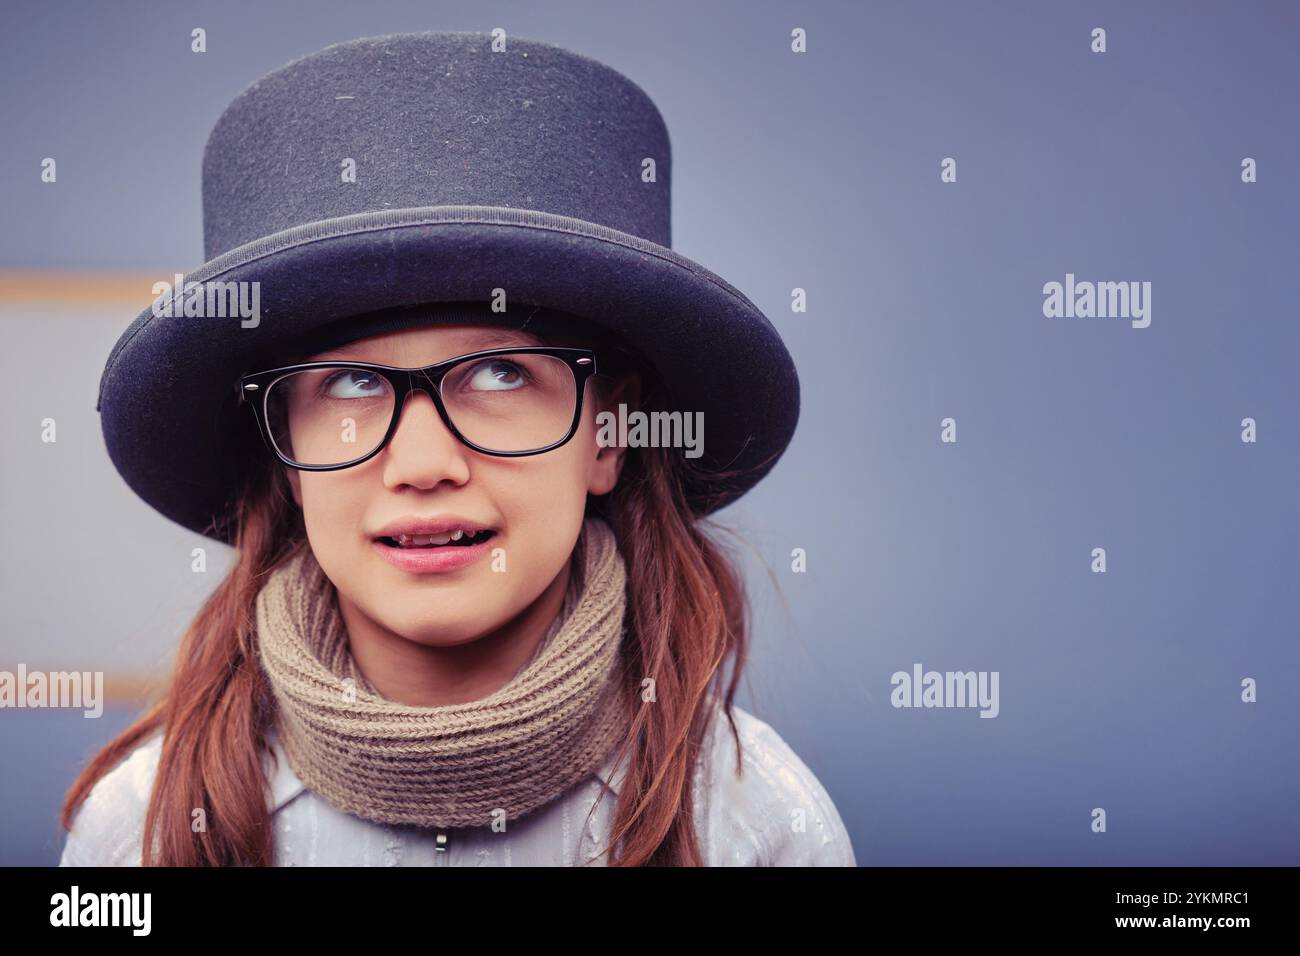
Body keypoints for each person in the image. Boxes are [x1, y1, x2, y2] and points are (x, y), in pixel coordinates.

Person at [59, 31, 856, 867]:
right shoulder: (139, 832)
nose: (424, 464)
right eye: (352, 386)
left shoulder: (758, 824)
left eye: (502, 374)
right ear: (283, 450)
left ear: (608, 432)